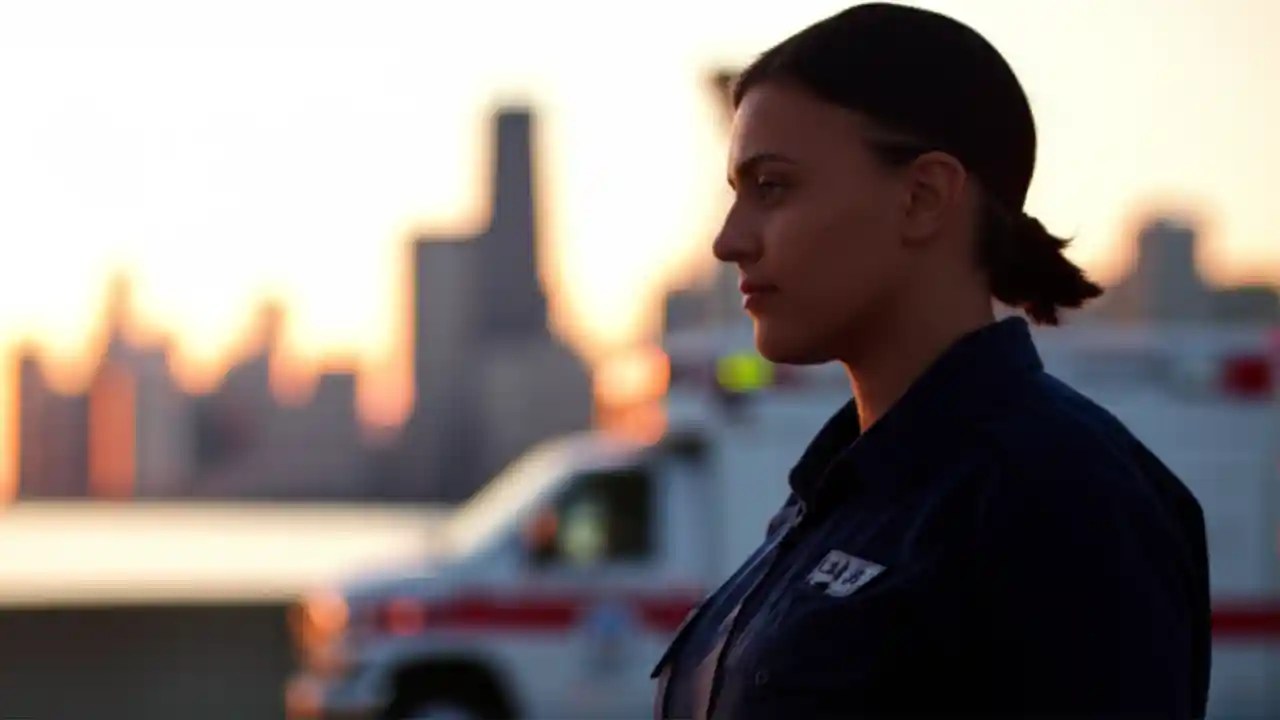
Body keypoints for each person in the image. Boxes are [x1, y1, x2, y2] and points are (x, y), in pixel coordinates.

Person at [651, 4, 1211, 719]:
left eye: (773, 187)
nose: (728, 241)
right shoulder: (835, 498)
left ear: (922, 197)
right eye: (738, 194)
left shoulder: (1061, 501)